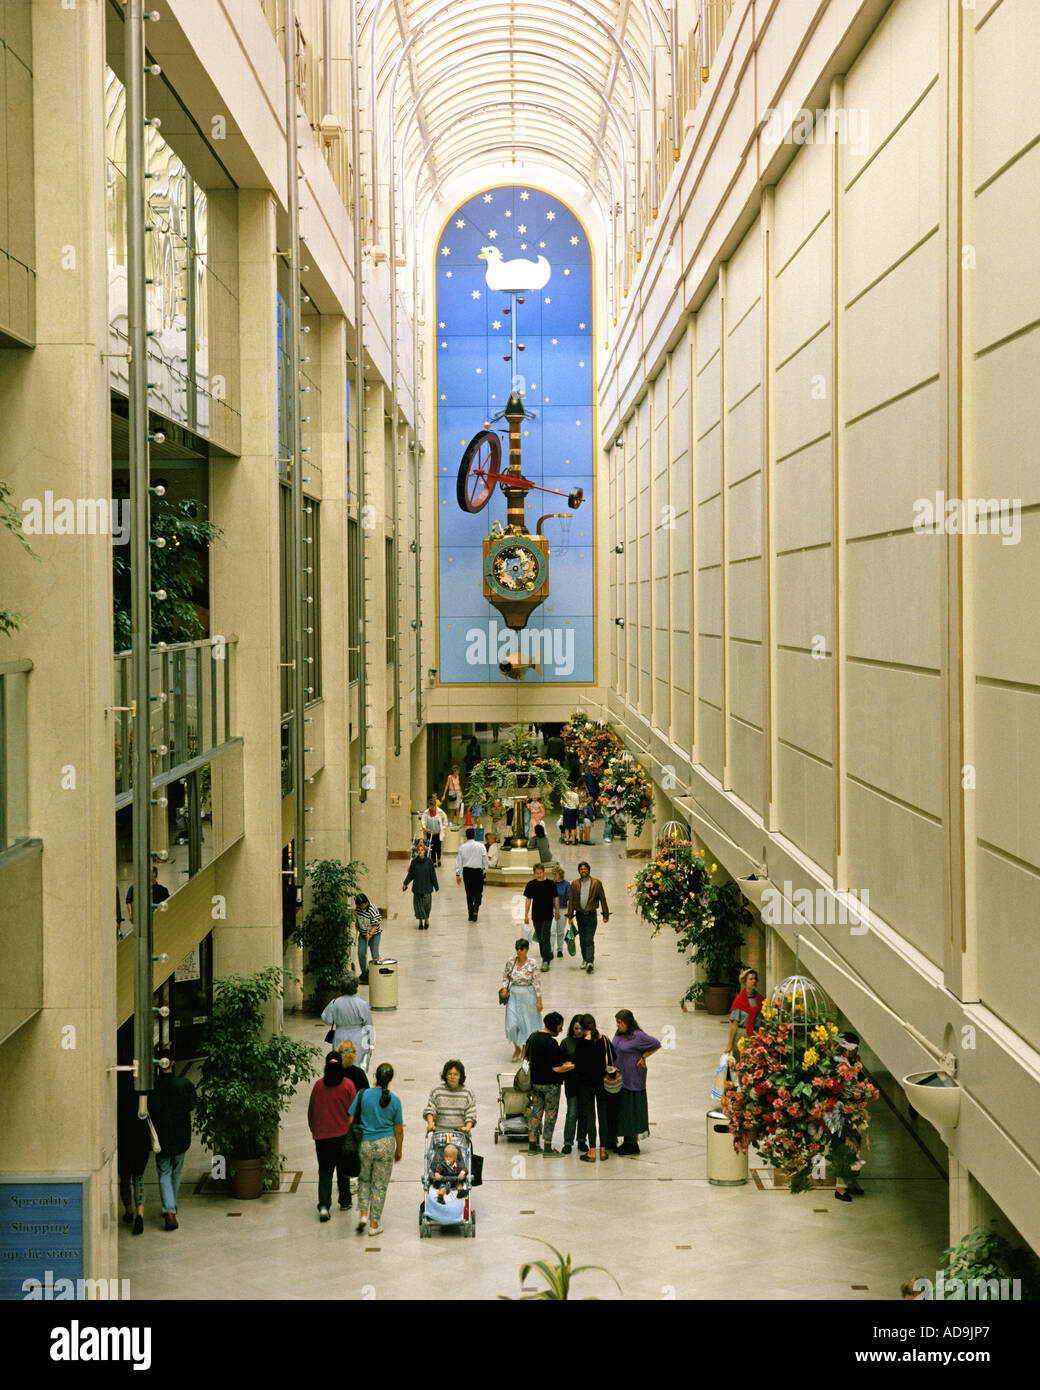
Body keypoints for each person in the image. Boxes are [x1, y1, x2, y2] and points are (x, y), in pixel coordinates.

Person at [346, 1062, 403, 1237]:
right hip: (385, 1145)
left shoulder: (363, 1095)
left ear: (375, 1077)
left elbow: (350, 1118)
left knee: (364, 1180)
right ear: (391, 1079)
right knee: (379, 1185)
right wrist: (398, 1150)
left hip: (365, 1144)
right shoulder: (395, 1100)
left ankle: (363, 1214)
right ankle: (374, 1224)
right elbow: (398, 1129)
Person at [149, 1047, 197, 1231]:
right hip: (181, 1136)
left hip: (161, 1138)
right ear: (173, 1063)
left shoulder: (153, 1088)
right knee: (176, 1171)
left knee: (164, 1172)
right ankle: (171, 1207)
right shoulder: (184, 1085)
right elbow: (191, 1104)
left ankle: (169, 1208)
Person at [307, 1052, 358, 1220]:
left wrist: (314, 1129)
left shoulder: (318, 1086)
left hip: (322, 1137)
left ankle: (323, 1205)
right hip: (343, 1135)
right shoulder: (348, 1085)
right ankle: (345, 1201)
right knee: (343, 1170)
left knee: (325, 1170)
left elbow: (311, 1111)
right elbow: (354, 1112)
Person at [523, 1011, 573, 1154]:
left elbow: (525, 1057)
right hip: (550, 1085)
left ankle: (532, 1146)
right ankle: (547, 1147)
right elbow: (557, 1068)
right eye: (560, 1026)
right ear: (554, 1026)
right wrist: (570, 1066)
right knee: (550, 1114)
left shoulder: (533, 1037)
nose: (561, 1029)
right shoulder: (551, 1042)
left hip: (535, 1083)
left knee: (536, 1111)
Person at [612, 1009, 661, 1155]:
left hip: (633, 1076)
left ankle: (632, 1143)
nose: (618, 1025)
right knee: (624, 1110)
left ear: (627, 1022)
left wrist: (643, 1056)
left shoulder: (638, 1036)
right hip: (620, 1075)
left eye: (620, 1022)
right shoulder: (619, 1034)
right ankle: (626, 1140)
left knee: (631, 1108)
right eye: (617, 1022)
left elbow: (656, 1044)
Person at [574, 1014, 619, 1162]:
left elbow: (577, 1066)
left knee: (590, 1116)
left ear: (583, 1027)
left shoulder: (581, 1044)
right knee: (603, 1116)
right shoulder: (604, 1039)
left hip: (586, 1086)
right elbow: (613, 1057)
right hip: (603, 1084)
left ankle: (592, 1152)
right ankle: (603, 1151)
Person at [117, 1067, 153, 1235]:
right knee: (138, 1179)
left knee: (124, 1179)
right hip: (140, 1145)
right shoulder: (142, 1099)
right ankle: (140, 1213)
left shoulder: (117, 1102)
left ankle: (128, 1211)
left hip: (124, 1145)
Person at [835, 1033, 868, 1203]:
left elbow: (861, 1080)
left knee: (856, 1147)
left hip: (854, 1109)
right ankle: (840, 1187)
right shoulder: (838, 1063)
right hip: (842, 1110)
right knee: (845, 1148)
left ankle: (853, 1181)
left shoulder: (855, 1061)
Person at [321, 974, 375, 1070]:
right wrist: (371, 1043)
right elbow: (369, 1025)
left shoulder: (335, 1003)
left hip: (340, 1036)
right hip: (359, 1037)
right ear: (355, 987)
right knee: (358, 1066)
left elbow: (327, 1019)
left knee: (340, 1065)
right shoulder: (362, 1004)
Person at [500, 939, 542, 1062]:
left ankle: (525, 1051)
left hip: (528, 994)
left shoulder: (532, 963)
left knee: (527, 1024)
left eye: (521, 949)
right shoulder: (511, 962)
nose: (519, 951)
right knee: (511, 1024)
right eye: (517, 948)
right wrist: (504, 988)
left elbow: (537, 982)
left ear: (526, 950)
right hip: (513, 994)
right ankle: (516, 1046)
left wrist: (539, 1001)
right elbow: (505, 976)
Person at [565, 861, 610, 973]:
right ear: (579, 871)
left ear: (589, 870)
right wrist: (570, 916)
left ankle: (590, 961)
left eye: (585, 869)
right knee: (582, 939)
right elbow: (571, 900)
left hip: (591, 915)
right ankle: (585, 959)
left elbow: (602, 899)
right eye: (581, 869)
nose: (583, 871)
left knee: (589, 938)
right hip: (580, 915)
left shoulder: (596, 883)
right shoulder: (574, 884)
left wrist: (605, 914)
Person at [423, 1059, 477, 1136]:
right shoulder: (437, 1091)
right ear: (445, 1075)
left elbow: (471, 1113)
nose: (452, 1077)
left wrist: (467, 1127)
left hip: (460, 1135)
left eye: (456, 1074)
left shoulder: (467, 1093)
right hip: (440, 1134)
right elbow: (430, 1109)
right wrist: (430, 1124)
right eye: (449, 1074)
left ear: (460, 1076)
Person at [524, 863, 560, 971]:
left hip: (547, 915)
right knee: (540, 938)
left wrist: (557, 911)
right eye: (537, 873)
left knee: (545, 937)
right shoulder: (531, 884)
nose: (539, 875)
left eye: (541, 873)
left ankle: (545, 960)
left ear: (544, 872)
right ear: (534, 873)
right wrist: (526, 914)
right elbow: (528, 899)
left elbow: (556, 897)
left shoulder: (550, 884)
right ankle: (547, 954)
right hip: (536, 915)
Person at [724, 968, 766, 1059]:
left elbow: (764, 1021)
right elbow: (734, 1025)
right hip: (742, 1036)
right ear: (744, 982)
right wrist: (729, 1045)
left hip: (756, 1035)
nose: (753, 981)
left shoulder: (761, 1000)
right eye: (751, 979)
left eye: (755, 979)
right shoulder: (739, 1001)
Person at [559, 1015, 586, 1154]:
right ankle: (568, 1142)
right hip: (572, 1083)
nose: (579, 1031)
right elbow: (560, 1061)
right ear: (572, 1028)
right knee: (572, 1113)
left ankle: (582, 1140)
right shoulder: (566, 1042)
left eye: (581, 1028)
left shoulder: (588, 1042)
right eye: (576, 1028)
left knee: (584, 1114)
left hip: (586, 1083)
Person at [403, 838, 438, 929]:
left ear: (425, 851)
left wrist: (436, 885)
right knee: (419, 907)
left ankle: (426, 919)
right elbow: (410, 874)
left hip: (427, 888)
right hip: (418, 888)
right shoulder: (414, 863)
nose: (420, 851)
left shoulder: (429, 862)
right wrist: (405, 883)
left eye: (422, 850)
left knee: (427, 906)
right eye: (418, 850)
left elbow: (432, 874)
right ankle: (420, 922)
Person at [455, 827, 489, 922]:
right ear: (474, 835)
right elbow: (485, 859)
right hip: (478, 871)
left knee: (469, 893)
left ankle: (470, 914)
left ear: (466, 836)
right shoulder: (481, 846)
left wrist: (458, 874)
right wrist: (485, 869)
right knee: (478, 892)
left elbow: (459, 861)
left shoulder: (462, 847)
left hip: (467, 872)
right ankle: (476, 908)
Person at [354, 894, 383, 983]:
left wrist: (370, 934)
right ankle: (365, 973)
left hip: (374, 934)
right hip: (363, 933)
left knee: (375, 955)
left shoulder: (372, 910)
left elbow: (376, 924)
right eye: (359, 905)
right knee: (361, 953)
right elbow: (358, 916)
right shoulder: (358, 907)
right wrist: (357, 923)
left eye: (361, 905)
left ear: (366, 902)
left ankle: (376, 974)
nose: (360, 907)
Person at [421, 797, 448, 866]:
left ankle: (439, 860)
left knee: (438, 848)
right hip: (430, 834)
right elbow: (423, 821)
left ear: (435, 805)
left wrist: (443, 828)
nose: (431, 807)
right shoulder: (426, 812)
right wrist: (424, 827)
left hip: (438, 833)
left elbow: (445, 819)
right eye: (430, 806)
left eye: (433, 806)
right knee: (431, 848)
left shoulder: (440, 812)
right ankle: (433, 862)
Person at [552, 866, 571, 958]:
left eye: (555, 874)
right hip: (551, 909)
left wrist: (568, 910)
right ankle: (550, 950)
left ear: (560, 875)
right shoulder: (551, 884)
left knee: (560, 931)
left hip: (563, 909)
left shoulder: (567, 884)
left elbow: (569, 898)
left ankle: (560, 949)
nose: (554, 876)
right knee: (551, 930)